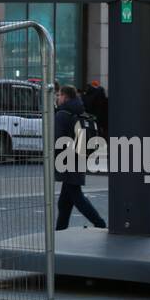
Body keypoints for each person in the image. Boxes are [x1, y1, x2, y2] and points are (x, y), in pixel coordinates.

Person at [54, 85, 107, 230]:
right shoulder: (79, 112)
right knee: (65, 200)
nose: (57, 98)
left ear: (65, 96)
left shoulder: (62, 114)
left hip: (66, 159)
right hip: (78, 156)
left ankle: (100, 223)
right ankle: (60, 229)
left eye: (59, 95)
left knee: (77, 197)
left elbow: (58, 139)